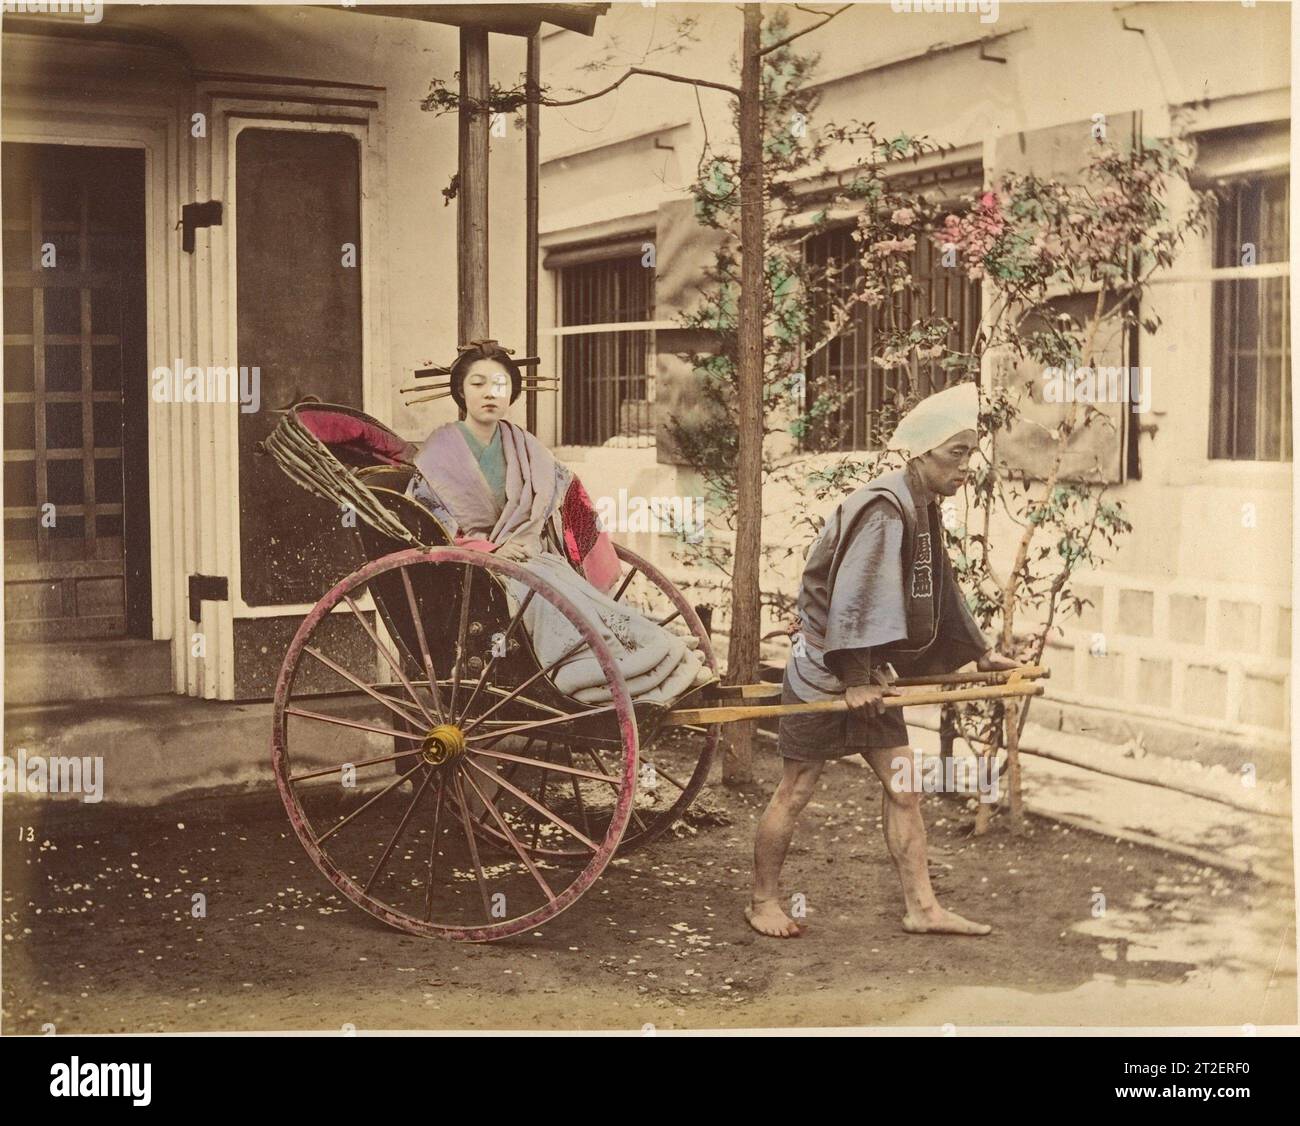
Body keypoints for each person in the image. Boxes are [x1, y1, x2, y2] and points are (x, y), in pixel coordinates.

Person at [746, 380, 1019, 940]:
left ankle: (922, 908)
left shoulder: (922, 506)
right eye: (956, 453)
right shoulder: (884, 508)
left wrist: (980, 653)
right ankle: (762, 901)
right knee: (796, 790)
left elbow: (938, 588)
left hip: (869, 673)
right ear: (920, 454)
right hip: (826, 669)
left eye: (972, 452)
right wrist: (850, 679)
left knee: (905, 787)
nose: (967, 466)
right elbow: (855, 595)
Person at [407, 341, 713, 707]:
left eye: (500, 385)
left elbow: (568, 494)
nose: (490, 393)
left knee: (578, 591)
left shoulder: (526, 447)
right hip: (474, 568)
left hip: (530, 555)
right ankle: (582, 672)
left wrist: (562, 547)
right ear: (460, 390)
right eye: (478, 384)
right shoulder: (437, 455)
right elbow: (427, 527)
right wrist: (492, 550)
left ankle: (656, 663)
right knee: (542, 593)